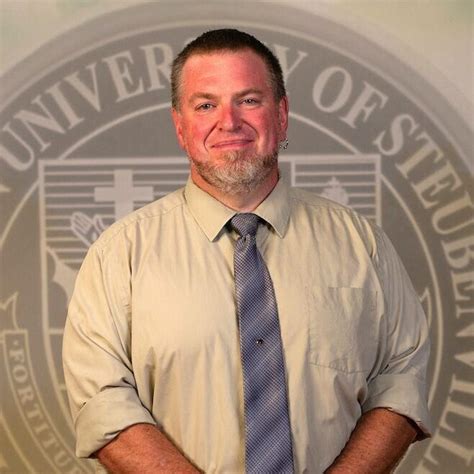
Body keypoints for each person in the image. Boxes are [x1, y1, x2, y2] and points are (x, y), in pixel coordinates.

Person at [63, 29, 431, 473]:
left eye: (249, 100)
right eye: (205, 105)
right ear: (180, 126)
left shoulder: (363, 245)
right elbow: (104, 403)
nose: (229, 121)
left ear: (282, 115)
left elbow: (400, 379)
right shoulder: (118, 256)